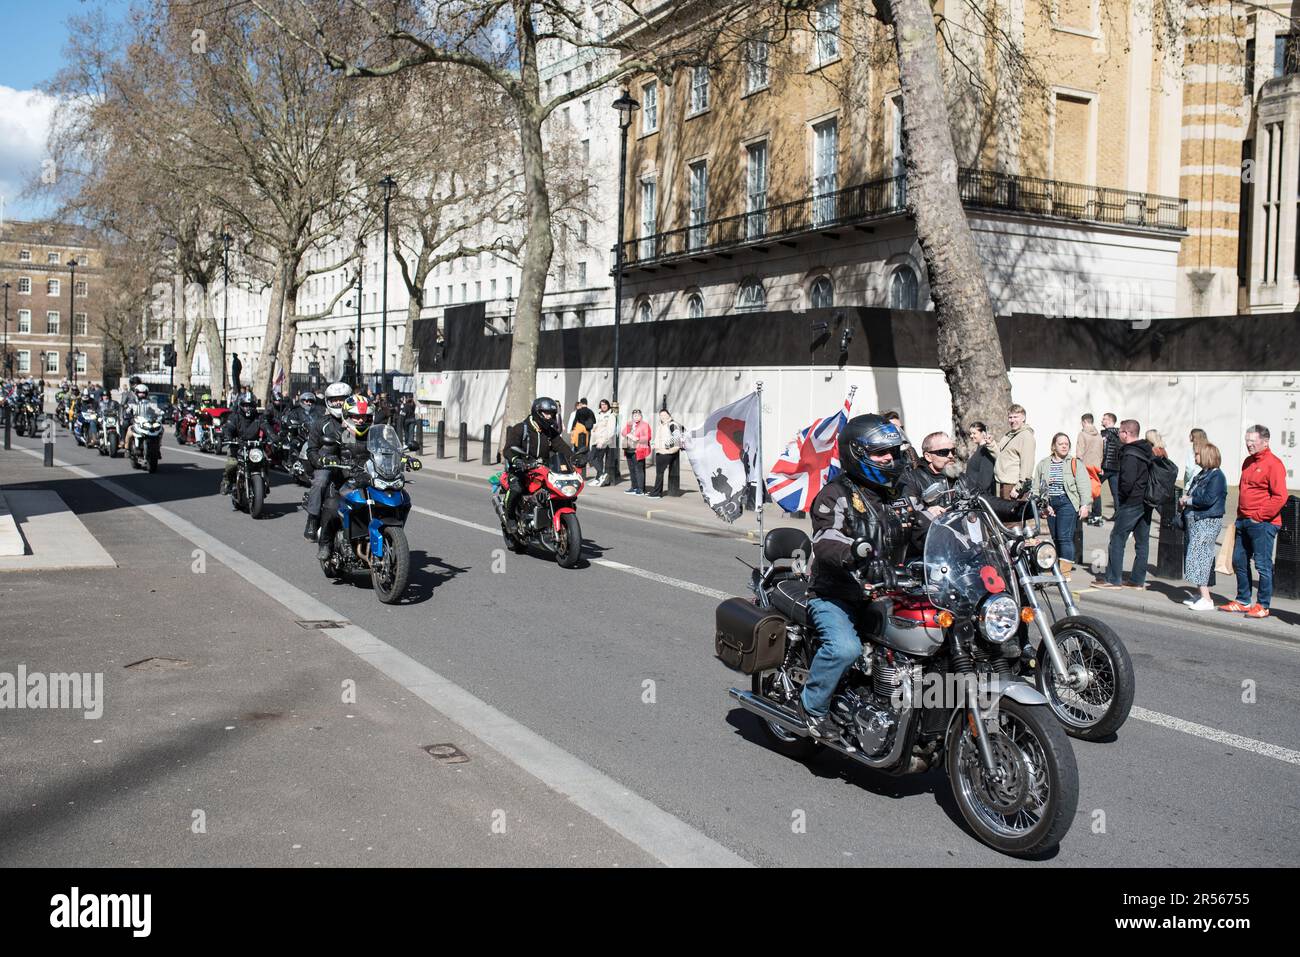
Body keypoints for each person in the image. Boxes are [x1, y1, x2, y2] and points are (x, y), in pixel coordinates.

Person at [800, 414, 911, 747]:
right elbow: (824, 539)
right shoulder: (835, 495)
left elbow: (930, 522)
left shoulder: (898, 493)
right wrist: (854, 550)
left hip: (889, 591)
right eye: (881, 453)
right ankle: (813, 709)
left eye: (893, 451)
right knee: (845, 648)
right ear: (857, 453)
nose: (890, 458)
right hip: (838, 593)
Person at [1219, 425, 1289, 619]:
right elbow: (1244, 490)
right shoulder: (1248, 462)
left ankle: (1263, 605)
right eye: (1246, 440)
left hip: (1263, 523)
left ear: (1265, 442)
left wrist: (1259, 515)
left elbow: (1280, 496)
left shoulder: (1274, 464)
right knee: (1239, 561)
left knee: (1263, 565)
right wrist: (1241, 515)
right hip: (1243, 520)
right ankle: (1243, 600)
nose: (1248, 444)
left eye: (1252, 441)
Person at [501, 397, 575, 533]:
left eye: (551, 414)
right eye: (546, 413)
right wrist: (517, 460)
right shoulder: (520, 429)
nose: (549, 416)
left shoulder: (549, 432)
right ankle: (510, 516)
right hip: (521, 469)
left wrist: (575, 458)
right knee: (517, 489)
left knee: (559, 491)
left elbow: (562, 447)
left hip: (542, 469)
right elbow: (508, 449)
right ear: (537, 412)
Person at [1094, 419, 1154, 589]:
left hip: (1132, 502)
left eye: (1120, 431)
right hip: (1146, 501)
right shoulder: (1146, 449)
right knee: (1142, 542)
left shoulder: (1130, 453)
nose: (1119, 433)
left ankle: (1113, 579)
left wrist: (1122, 499)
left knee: (1117, 538)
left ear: (1126, 433)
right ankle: (1137, 580)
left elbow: (1127, 481)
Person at [317, 395, 375, 561]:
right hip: (344, 483)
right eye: (356, 416)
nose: (360, 420)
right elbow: (326, 451)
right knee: (331, 506)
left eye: (364, 416)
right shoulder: (337, 434)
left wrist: (405, 458)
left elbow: (390, 450)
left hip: (370, 481)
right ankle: (325, 543)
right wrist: (328, 458)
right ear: (348, 416)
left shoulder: (376, 435)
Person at [304, 382, 353, 541]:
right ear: (328, 402)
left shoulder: (359, 420)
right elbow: (311, 449)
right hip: (328, 463)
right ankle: (312, 519)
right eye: (335, 400)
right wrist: (321, 461)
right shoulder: (321, 423)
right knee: (320, 481)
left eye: (342, 399)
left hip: (352, 462)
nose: (338, 403)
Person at [1180, 443, 1226, 611]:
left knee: (1199, 557)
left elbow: (1208, 499)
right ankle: (1201, 594)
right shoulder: (1204, 474)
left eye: (1198, 455)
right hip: (1198, 520)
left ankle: (1206, 599)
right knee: (1196, 556)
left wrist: (1188, 500)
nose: (1195, 458)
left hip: (1207, 521)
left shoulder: (1217, 476)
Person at [1033, 433, 1091, 566]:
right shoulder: (1043, 464)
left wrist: (1084, 505)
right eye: (1061, 444)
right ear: (1054, 446)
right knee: (1055, 538)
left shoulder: (1075, 463)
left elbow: (1084, 485)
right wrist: (1042, 505)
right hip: (1050, 504)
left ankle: (1064, 572)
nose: (1064, 446)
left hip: (1067, 503)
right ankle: (1059, 568)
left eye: (1066, 444)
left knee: (1064, 538)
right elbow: (1037, 487)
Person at [900, 431, 962, 522]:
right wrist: (927, 510)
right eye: (944, 452)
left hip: (961, 532)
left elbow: (983, 496)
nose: (951, 455)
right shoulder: (912, 479)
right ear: (928, 457)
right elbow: (910, 509)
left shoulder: (959, 476)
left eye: (953, 451)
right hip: (932, 532)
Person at [219, 393, 270, 494]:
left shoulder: (258, 417)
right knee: (232, 463)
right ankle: (227, 481)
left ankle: (265, 483)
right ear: (240, 405)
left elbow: (267, 427)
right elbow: (229, 427)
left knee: (265, 461)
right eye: (245, 405)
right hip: (237, 446)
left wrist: (274, 438)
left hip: (254, 446)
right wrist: (228, 436)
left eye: (250, 405)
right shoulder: (235, 417)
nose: (248, 408)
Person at [994, 403, 1035, 498]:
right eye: (1010, 417)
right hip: (1002, 485)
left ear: (1023, 418)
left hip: (1013, 487)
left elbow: (1027, 465)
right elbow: (1000, 454)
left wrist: (1019, 488)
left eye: (1016, 417)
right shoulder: (1009, 435)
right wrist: (991, 444)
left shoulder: (1026, 436)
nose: (1012, 420)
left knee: (1015, 513)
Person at [1077, 413, 1105, 526]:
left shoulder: (1082, 434)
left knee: (1081, 489)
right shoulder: (1098, 436)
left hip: (1085, 466)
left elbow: (1079, 452)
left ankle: (1080, 512)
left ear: (1084, 422)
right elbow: (1102, 452)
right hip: (1096, 466)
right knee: (1096, 491)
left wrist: (1078, 465)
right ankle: (1097, 514)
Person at [648, 408, 682, 498]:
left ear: (669, 415)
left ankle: (657, 493)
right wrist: (654, 445)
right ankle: (657, 492)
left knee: (659, 473)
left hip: (667, 451)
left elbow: (677, 436)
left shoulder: (672, 424)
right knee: (659, 473)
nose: (663, 417)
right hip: (660, 451)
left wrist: (668, 444)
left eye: (665, 415)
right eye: (661, 415)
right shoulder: (661, 425)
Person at [621, 408, 652, 495]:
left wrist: (637, 438)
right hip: (629, 449)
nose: (636, 417)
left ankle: (641, 488)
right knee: (631, 469)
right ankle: (634, 487)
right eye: (634, 415)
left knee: (639, 469)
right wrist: (629, 434)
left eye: (638, 415)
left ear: (641, 416)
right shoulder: (630, 424)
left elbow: (648, 437)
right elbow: (623, 432)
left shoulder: (644, 425)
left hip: (639, 450)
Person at [963, 421, 997, 498]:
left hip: (980, 497)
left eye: (974, 433)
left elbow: (985, 479)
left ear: (983, 433)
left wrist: (977, 494)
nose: (971, 436)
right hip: (973, 494)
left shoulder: (986, 450)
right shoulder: (979, 449)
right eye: (970, 433)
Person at [1099, 412, 1122, 519]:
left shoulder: (1104, 434)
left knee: (1094, 488)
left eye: (1104, 419)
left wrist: (1100, 466)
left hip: (1105, 467)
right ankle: (1118, 514)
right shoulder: (1120, 434)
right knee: (1115, 492)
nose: (1102, 421)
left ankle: (1096, 513)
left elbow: (1102, 451)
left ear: (1110, 421)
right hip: (1116, 467)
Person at [590, 399, 618, 485]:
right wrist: (593, 430)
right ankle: (599, 478)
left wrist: (603, 441)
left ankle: (602, 475)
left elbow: (611, 431)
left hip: (604, 441)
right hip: (596, 440)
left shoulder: (611, 415)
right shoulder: (598, 415)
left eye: (605, 404)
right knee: (597, 459)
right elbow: (595, 427)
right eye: (602, 404)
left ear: (608, 405)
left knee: (592, 458)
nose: (603, 406)